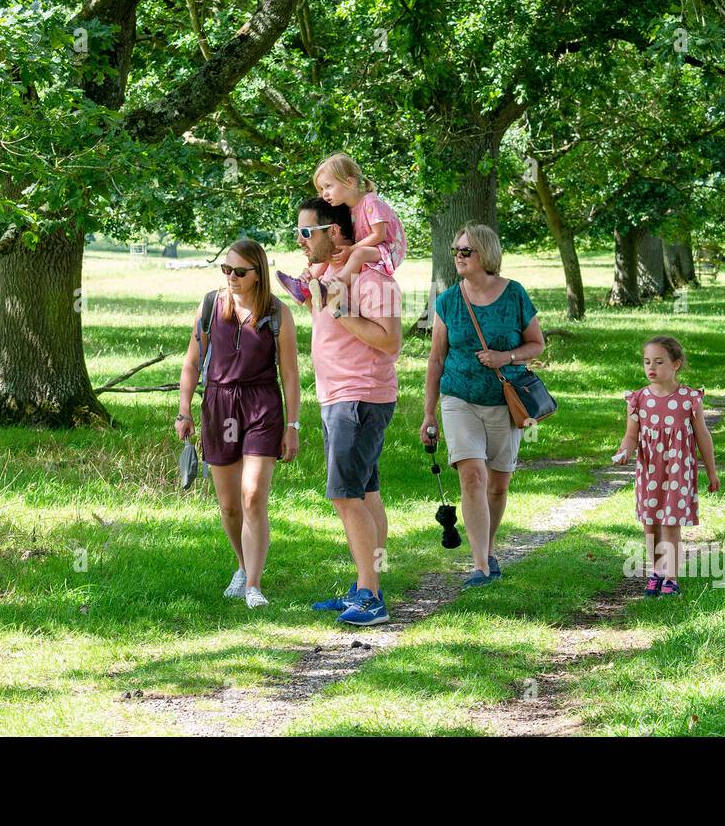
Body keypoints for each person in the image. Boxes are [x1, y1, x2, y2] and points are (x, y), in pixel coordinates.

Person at [176, 239, 301, 609]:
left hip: (261, 405)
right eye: (226, 269)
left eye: (240, 272)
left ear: (258, 274)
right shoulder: (211, 305)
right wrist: (184, 410)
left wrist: (292, 425)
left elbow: (290, 375)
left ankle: (254, 585)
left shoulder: (278, 314)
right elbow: (192, 361)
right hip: (219, 405)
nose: (231, 277)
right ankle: (242, 566)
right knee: (230, 505)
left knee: (252, 497)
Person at [296, 196, 402, 626]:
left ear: (333, 232)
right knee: (366, 493)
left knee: (345, 495)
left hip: (359, 398)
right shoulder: (332, 274)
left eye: (307, 232)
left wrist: (339, 309)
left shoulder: (375, 280)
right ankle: (365, 586)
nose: (300, 240)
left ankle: (371, 600)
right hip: (338, 397)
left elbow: (391, 342)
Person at [420, 223, 546, 586]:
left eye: (466, 251)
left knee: (498, 484)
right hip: (459, 397)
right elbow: (436, 359)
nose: (458, 257)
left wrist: (505, 357)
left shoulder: (514, 295)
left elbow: (536, 344)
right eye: (456, 251)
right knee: (472, 475)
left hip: (505, 402)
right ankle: (479, 565)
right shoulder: (447, 301)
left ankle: (488, 549)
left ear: (485, 255)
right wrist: (430, 412)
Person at [612, 336, 720, 596]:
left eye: (659, 362)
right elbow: (631, 435)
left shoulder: (689, 399)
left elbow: (703, 436)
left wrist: (712, 470)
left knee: (670, 522)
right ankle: (656, 571)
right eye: (647, 362)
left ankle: (671, 577)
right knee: (650, 523)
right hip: (649, 471)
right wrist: (624, 451)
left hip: (678, 470)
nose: (651, 367)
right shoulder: (637, 400)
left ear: (676, 365)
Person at [277, 153, 407, 303]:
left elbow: (379, 235)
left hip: (389, 248)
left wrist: (352, 249)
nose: (324, 193)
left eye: (328, 186)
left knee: (358, 255)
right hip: (368, 246)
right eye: (321, 189)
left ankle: (332, 288)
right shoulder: (349, 208)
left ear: (349, 182)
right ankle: (303, 286)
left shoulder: (371, 202)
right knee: (330, 249)